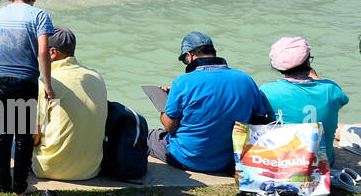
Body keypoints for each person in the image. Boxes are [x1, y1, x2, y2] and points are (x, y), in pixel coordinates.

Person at [147, 32, 273, 174]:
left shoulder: (182, 82)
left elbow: (170, 127)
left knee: (148, 135)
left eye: (184, 60)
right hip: (227, 160)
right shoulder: (246, 80)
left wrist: (165, 102)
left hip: (187, 159)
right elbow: (258, 117)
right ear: (214, 53)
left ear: (190, 56)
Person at [0, 0, 55, 194]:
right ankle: (19, 185)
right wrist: (47, 84)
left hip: (0, 77)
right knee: (24, 134)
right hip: (26, 78)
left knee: (3, 132)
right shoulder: (39, 16)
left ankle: (2, 183)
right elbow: (44, 51)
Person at [32, 27, 108, 181]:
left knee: (16, 143)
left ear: (52, 52)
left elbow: (34, 137)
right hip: (90, 169)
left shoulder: (44, 84)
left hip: (50, 168)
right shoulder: (97, 77)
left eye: (39, 48)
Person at [259, 37, 349, 166]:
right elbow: (338, 103)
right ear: (308, 62)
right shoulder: (331, 89)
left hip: (286, 162)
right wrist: (316, 77)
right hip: (323, 163)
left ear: (277, 67)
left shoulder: (267, 90)